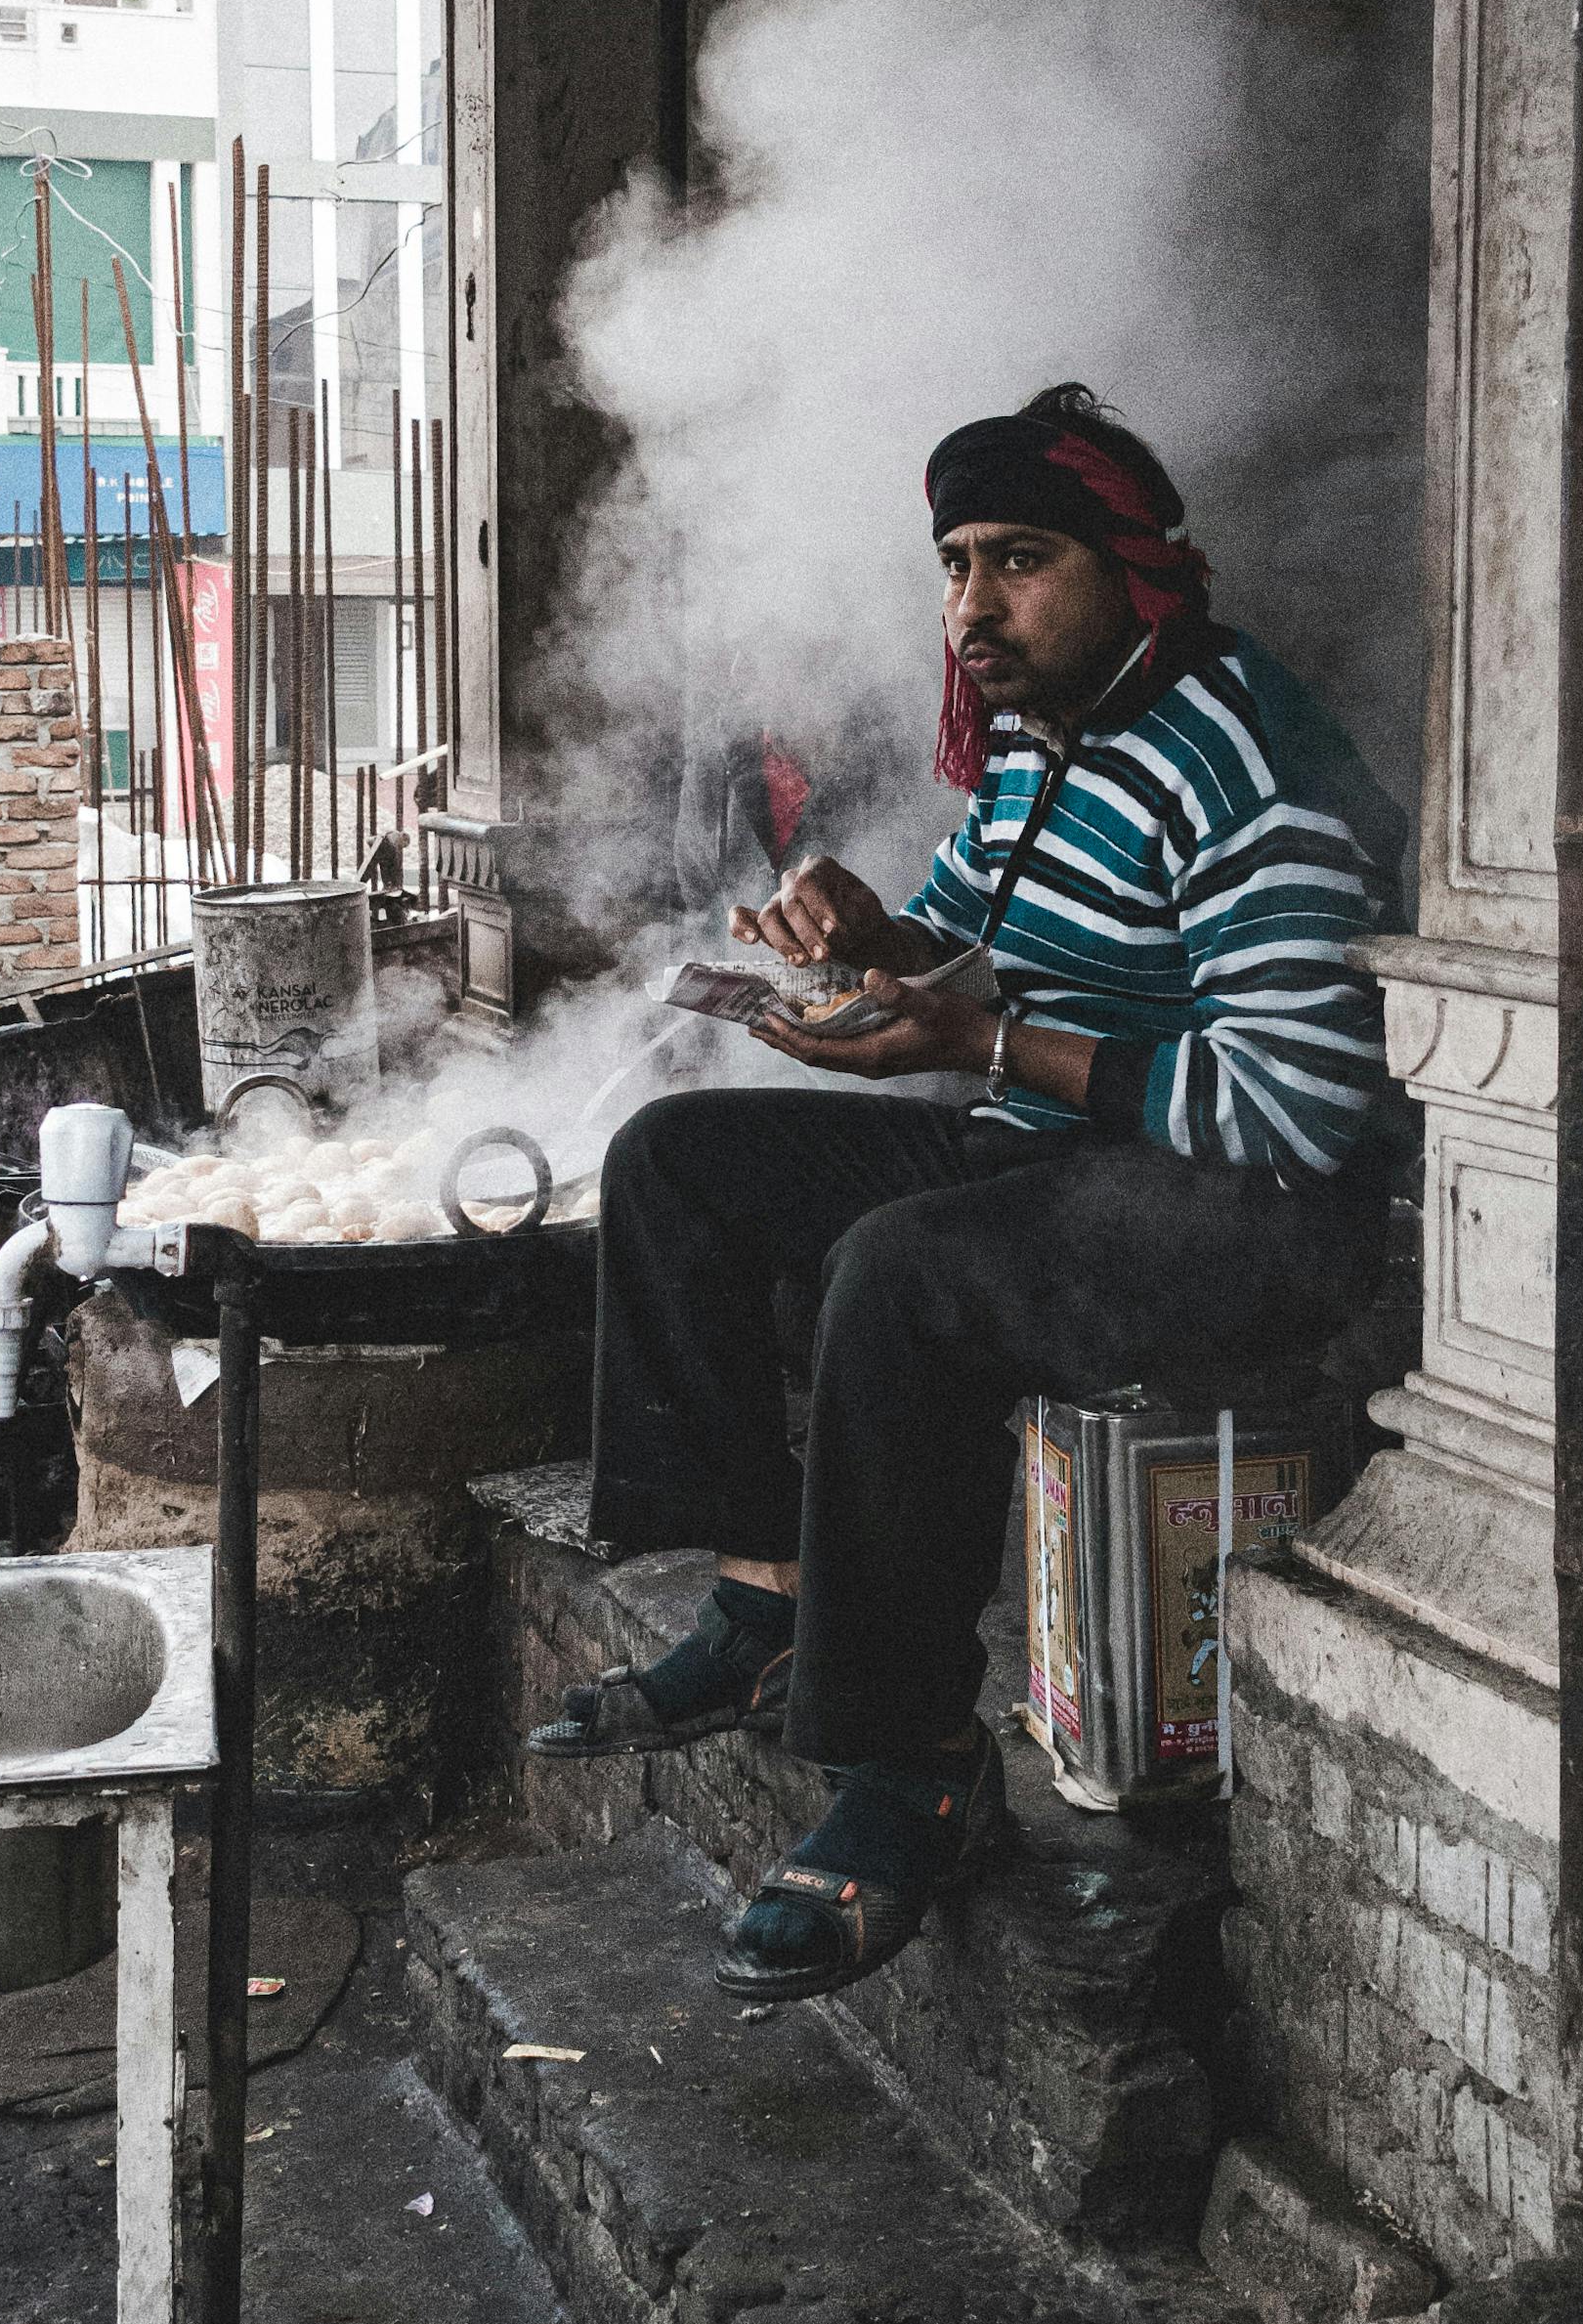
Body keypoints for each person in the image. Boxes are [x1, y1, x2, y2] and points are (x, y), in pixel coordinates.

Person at [536, 381, 1406, 2007]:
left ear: (1137, 570)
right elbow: (973, 942)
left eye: (1019, 560)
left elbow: (1299, 1104)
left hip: (1244, 1211)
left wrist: (987, 1035)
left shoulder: (1240, 765)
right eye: (954, 565)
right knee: (675, 1163)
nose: (971, 607)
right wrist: (864, 945)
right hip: (1053, 1157)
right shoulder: (1041, 738)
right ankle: (764, 1598)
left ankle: (915, 1759)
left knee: (904, 1271)